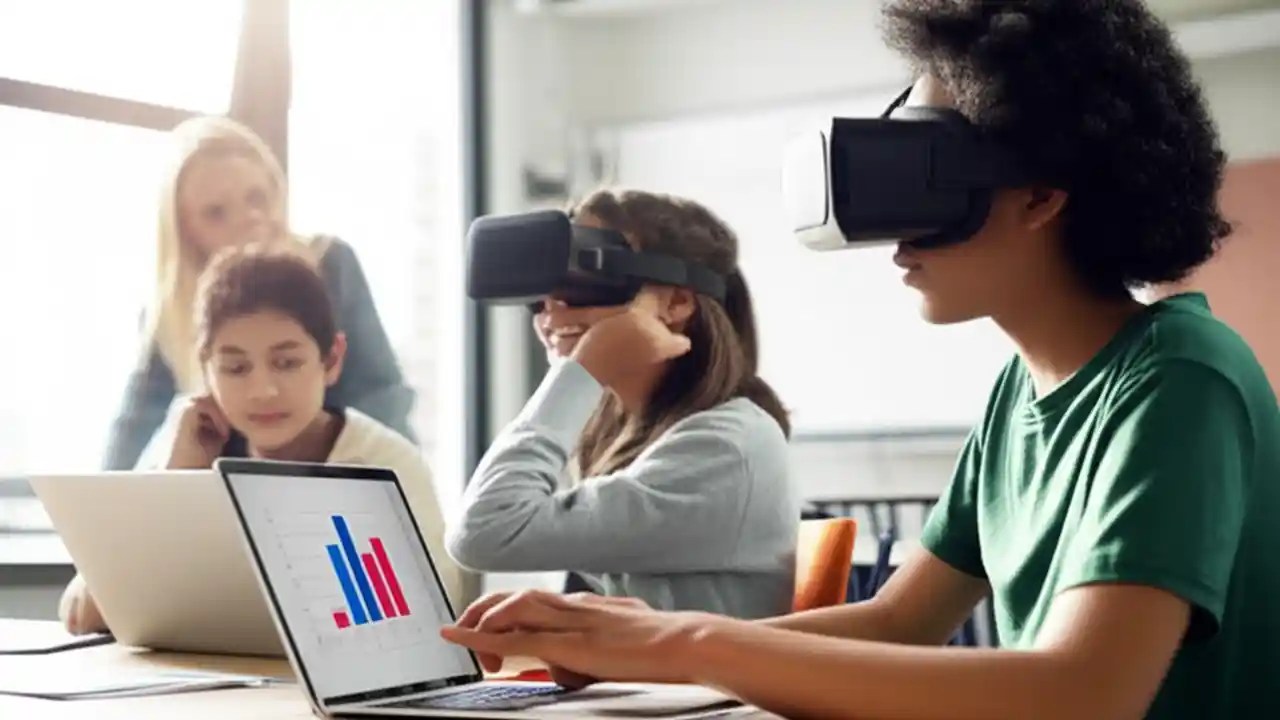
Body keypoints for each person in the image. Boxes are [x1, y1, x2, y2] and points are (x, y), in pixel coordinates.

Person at [439, 2, 1280, 718]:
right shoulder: (1018, 397)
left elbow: (1082, 694)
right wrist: (630, 646)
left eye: (926, 174)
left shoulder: (1180, 374)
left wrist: (679, 638)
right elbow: (894, 622)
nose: (894, 232)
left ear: (1041, 195)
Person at [61, 246, 465, 635]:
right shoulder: (190, 441)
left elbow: (435, 620)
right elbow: (81, 611)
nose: (262, 390)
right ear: (206, 368)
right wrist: (177, 479)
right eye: (235, 368)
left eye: (287, 363)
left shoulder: (386, 463)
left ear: (332, 359)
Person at [445, 189, 801, 619]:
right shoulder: (626, 434)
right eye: (539, 295)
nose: (552, 310)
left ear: (677, 301)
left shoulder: (726, 446)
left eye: (582, 282)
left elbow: (483, 533)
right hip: (659, 685)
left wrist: (580, 373)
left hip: (717, 689)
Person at [102, 115, 414, 471]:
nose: (249, 219)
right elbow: (132, 433)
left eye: (257, 198)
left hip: (335, 484)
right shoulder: (173, 305)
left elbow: (381, 396)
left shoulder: (330, 264)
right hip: (228, 501)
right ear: (186, 232)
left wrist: (378, 486)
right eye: (216, 213)